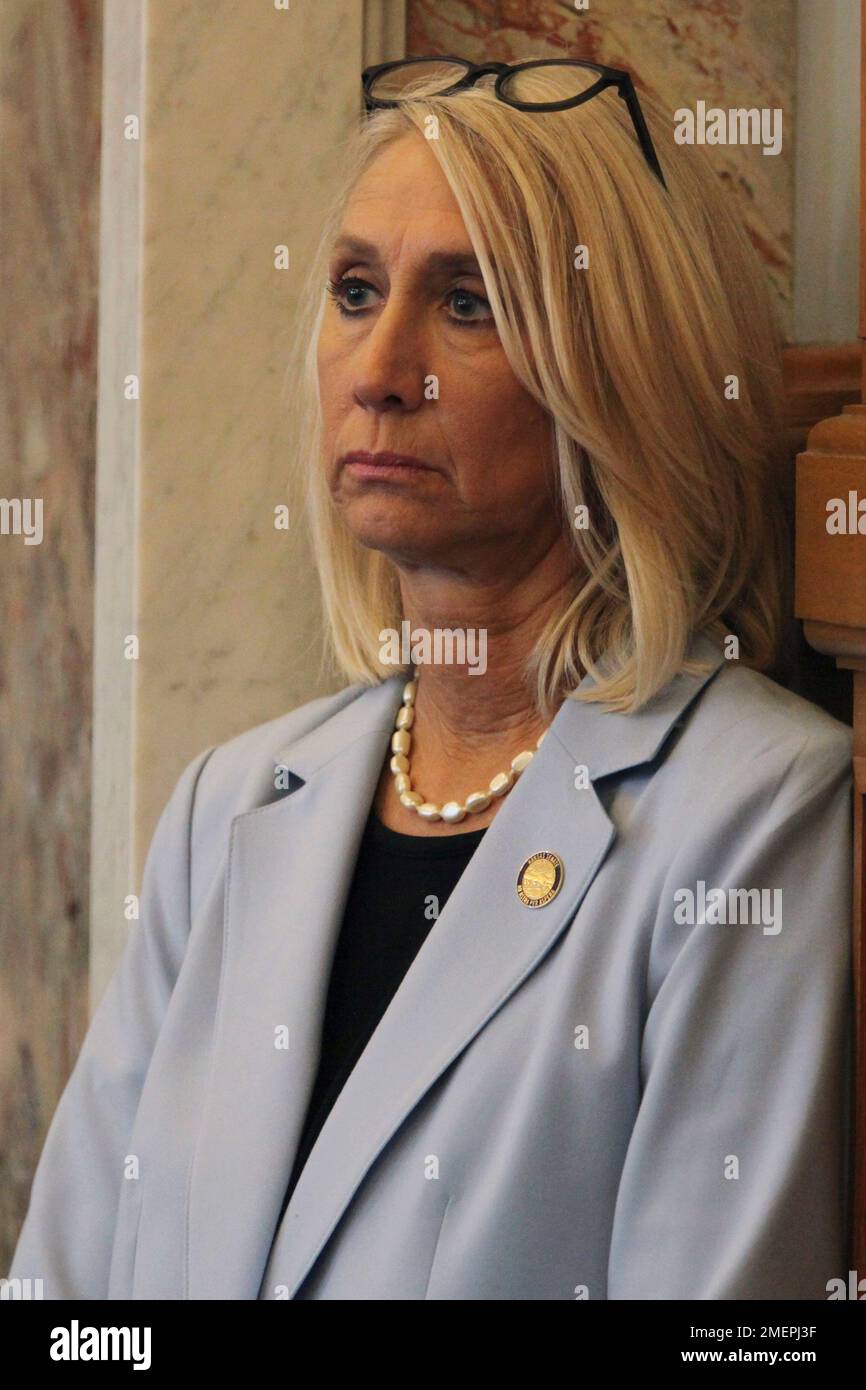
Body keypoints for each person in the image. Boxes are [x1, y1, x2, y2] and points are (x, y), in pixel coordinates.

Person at [9, 57, 853, 1300]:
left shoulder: (755, 813)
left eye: (468, 304)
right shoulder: (231, 806)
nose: (377, 366)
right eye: (355, 291)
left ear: (612, 372)